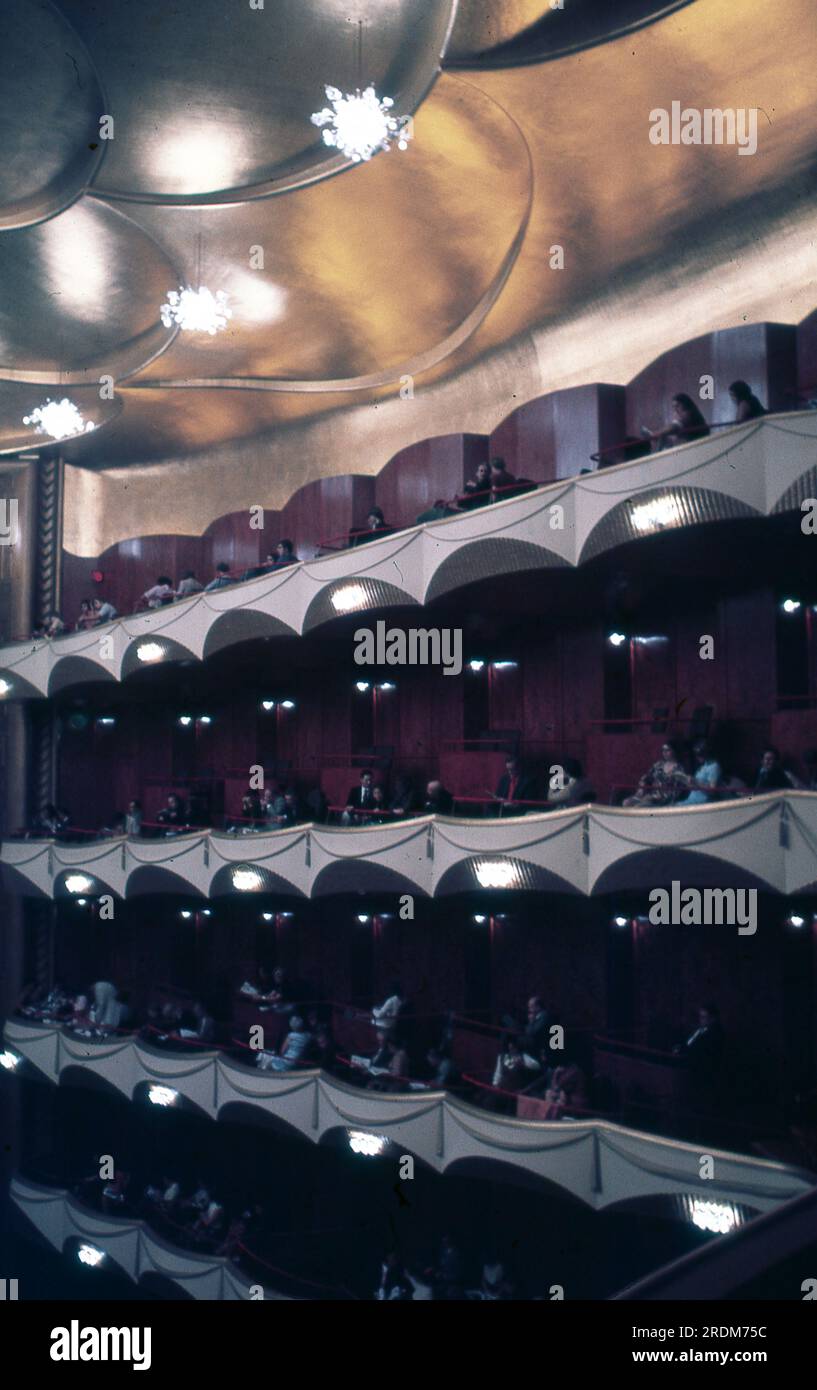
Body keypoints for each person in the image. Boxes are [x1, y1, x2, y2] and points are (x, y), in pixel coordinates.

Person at [623, 741, 688, 807]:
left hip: (663, 801)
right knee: (627, 802)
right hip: (649, 796)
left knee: (639, 806)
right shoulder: (658, 765)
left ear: (674, 751)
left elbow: (676, 793)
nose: (664, 752)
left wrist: (656, 797)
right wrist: (641, 789)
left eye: (667, 750)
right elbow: (646, 778)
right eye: (663, 750)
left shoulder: (679, 769)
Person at [641, 393, 710, 450]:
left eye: (677, 406)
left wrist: (655, 434)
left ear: (685, 404)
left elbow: (674, 427)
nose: (675, 410)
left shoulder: (689, 414)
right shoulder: (686, 415)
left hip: (697, 449)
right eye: (674, 407)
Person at [675, 1003, 724, 1080]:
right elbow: (688, 1043)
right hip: (685, 1064)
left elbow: (702, 1052)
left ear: (712, 1018)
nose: (700, 1020)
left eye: (704, 1017)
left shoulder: (715, 1034)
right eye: (700, 1017)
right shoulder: (698, 1030)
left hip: (699, 1071)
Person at [678, 740, 722, 804]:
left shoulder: (714, 766)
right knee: (672, 805)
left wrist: (695, 781)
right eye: (696, 754)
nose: (697, 757)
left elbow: (712, 790)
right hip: (691, 800)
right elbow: (695, 786)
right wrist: (685, 780)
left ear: (706, 753)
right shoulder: (701, 766)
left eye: (700, 754)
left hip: (701, 803)